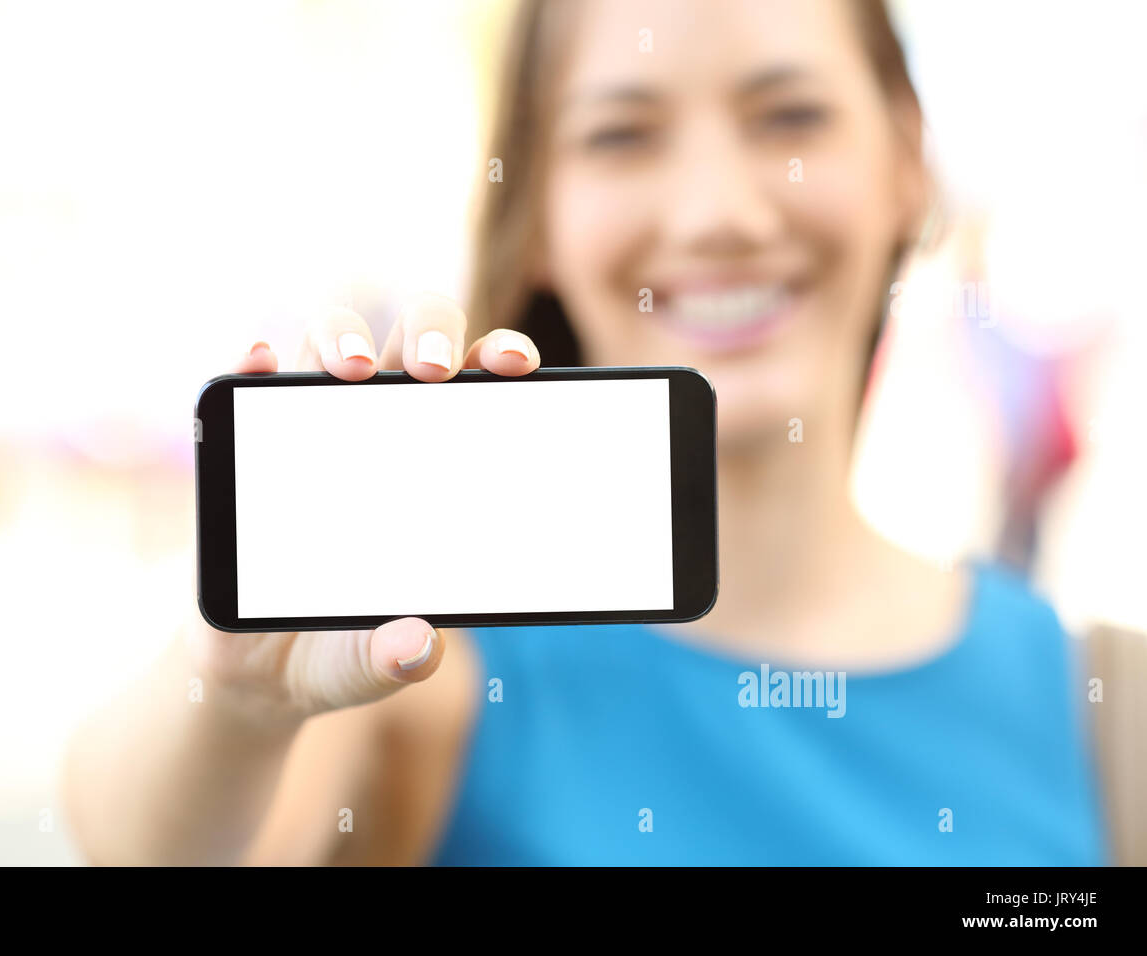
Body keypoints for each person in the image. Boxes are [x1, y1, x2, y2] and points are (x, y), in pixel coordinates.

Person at [63, 0, 1117, 865]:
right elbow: (143, 849)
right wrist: (237, 701)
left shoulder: (1106, 708)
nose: (718, 211)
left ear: (906, 164)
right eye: (620, 134)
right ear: (536, 217)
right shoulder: (424, 664)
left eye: (789, 117)